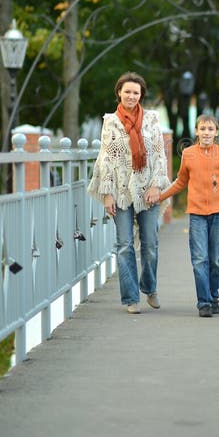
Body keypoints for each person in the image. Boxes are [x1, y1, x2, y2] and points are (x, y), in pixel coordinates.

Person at [88, 71, 170, 314]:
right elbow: (106, 160)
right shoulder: (110, 121)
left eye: (136, 92)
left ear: (141, 94)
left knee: (150, 243)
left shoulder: (152, 120)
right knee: (124, 245)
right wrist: (108, 194)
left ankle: (150, 287)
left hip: (148, 189)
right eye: (127, 92)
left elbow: (159, 155)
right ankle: (130, 298)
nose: (131, 96)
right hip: (121, 190)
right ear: (119, 93)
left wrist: (156, 185)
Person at [158, 115, 219, 318]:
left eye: (210, 129)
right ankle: (204, 302)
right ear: (197, 131)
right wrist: (160, 196)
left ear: (216, 132)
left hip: (218, 215)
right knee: (200, 259)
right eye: (203, 129)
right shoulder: (188, 154)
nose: (206, 132)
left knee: (215, 259)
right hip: (196, 215)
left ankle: (213, 296)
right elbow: (180, 182)